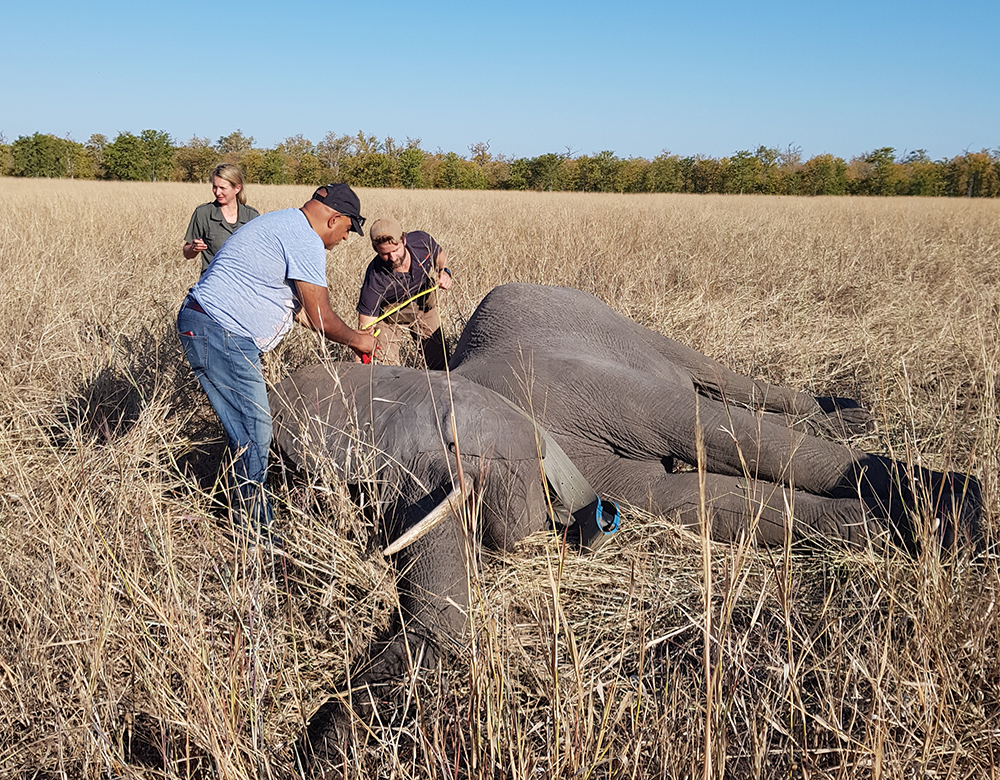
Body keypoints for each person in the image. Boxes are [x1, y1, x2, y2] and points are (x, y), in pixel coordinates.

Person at [176, 183, 376, 540]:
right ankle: (256, 535)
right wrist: (359, 339)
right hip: (221, 330)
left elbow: (298, 311)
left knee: (245, 429)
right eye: (349, 229)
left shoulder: (285, 223)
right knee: (255, 431)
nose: (346, 238)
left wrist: (342, 342)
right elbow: (319, 316)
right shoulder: (305, 239)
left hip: (209, 325)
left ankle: (239, 507)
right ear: (334, 218)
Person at [356, 217, 453, 370]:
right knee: (385, 370)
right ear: (376, 250)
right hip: (390, 319)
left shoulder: (422, 241)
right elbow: (365, 326)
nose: (393, 258)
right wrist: (360, 353)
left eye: (395, 250)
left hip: (424, 308)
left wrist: (444, 271)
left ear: (404, 241)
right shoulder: (375, 278)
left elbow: (439, 254)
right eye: (385, 254)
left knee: (442, 364)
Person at [183, 163, 260, 275]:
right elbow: (187, 253)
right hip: (212, 282)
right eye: (215, 187)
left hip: (244, 284)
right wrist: (193, 248)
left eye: (222, 188)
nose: (217, 192)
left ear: (237, 188)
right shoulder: (203, 213)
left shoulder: (252, 216)